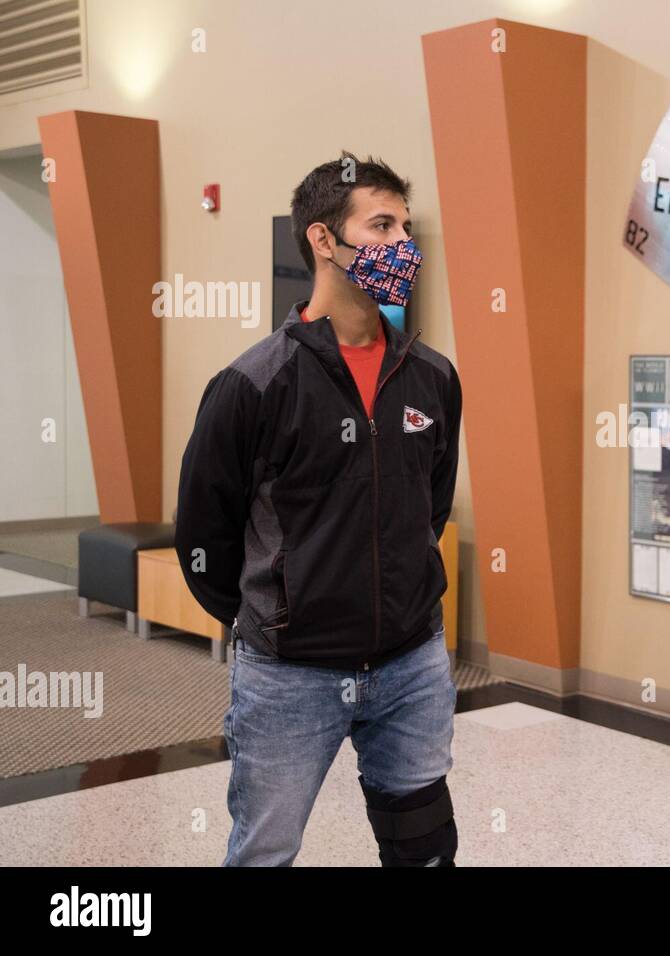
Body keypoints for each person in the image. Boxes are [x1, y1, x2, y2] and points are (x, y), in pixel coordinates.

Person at [174, 152, 463, 866]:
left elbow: (429, 507)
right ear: (323, 240)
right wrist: (271, 614)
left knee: (425, 848)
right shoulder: (253, 384)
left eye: (405, 226)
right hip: (289, 677)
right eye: (381, 225)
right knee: (264, 852)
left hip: (411, 665)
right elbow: (204, 536)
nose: (403, 245)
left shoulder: (433, 377)